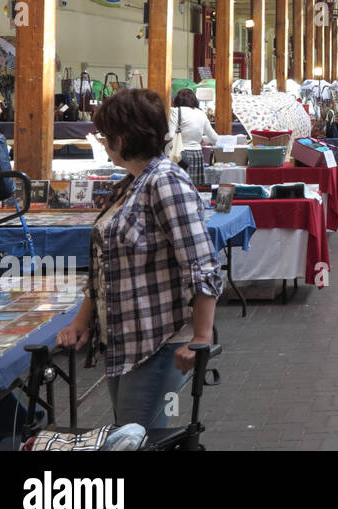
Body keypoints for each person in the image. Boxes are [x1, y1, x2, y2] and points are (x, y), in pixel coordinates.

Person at [56, 89, 221, 428]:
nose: (103, 142)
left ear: (125, 136)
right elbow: (106, 269)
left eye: (106, 134)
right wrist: (80, 322)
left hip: (157, 343)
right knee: (134, 433)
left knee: (139, 436)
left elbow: (200, 263)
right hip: (126, 344)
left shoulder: (165, 181)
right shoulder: (132, 183)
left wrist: (202, 336)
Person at [169, 88, 217, 185]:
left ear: (177, 100)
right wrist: (201, 139)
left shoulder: (176, 111)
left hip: (179, 155)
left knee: (179, 188)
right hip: (197, 155)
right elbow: (214, 138)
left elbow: (170, 135)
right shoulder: (201, 113)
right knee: (196, 189)